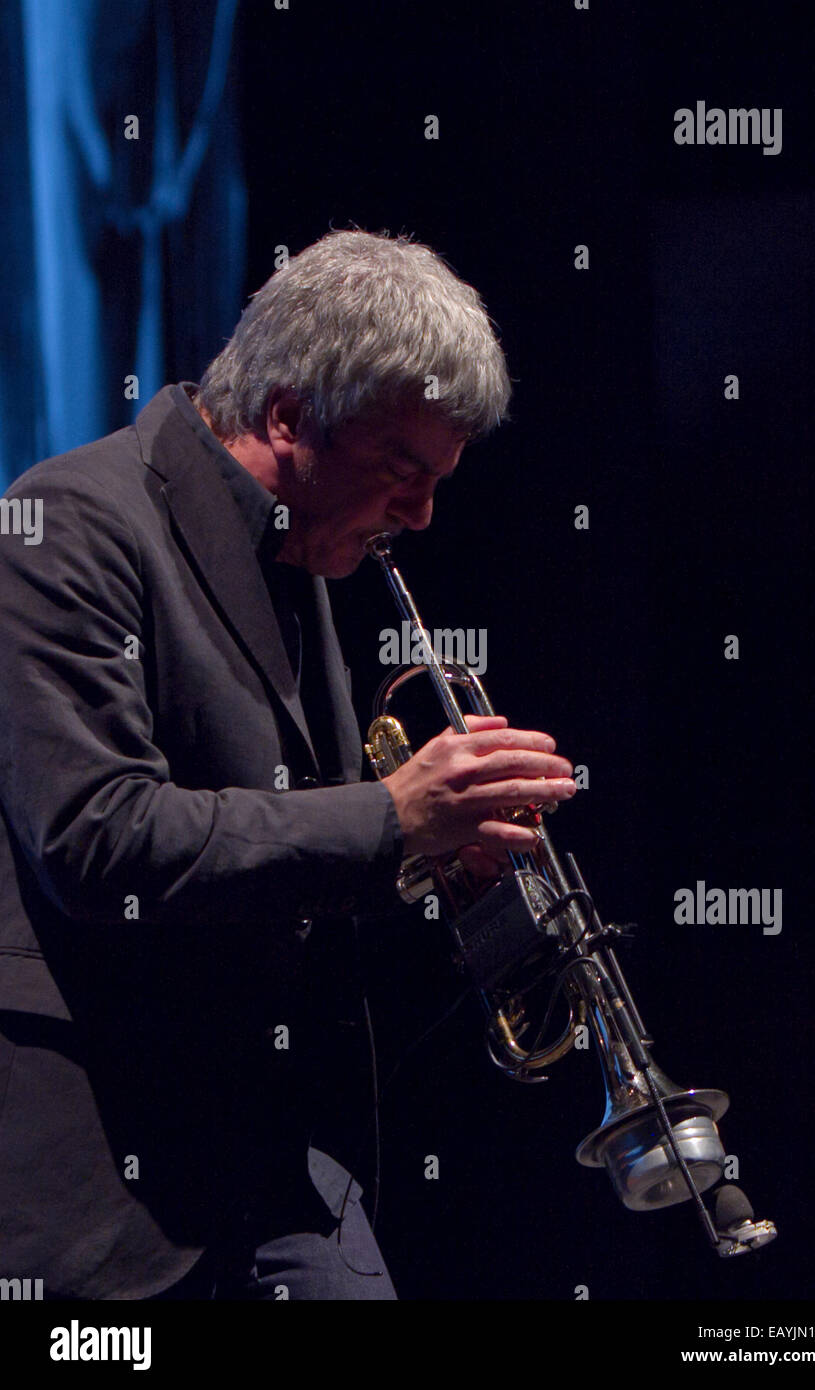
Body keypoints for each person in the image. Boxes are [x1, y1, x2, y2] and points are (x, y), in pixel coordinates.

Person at [0, 230, 576, 1300]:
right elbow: (96, 838)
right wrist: (392, 816)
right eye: (402, 473)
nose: (421, 515)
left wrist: (447, 869)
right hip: (109, 1181)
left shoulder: (300, 557)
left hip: (281, 1171)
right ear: (286, 416)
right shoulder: (68, 523)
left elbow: (295, 874)